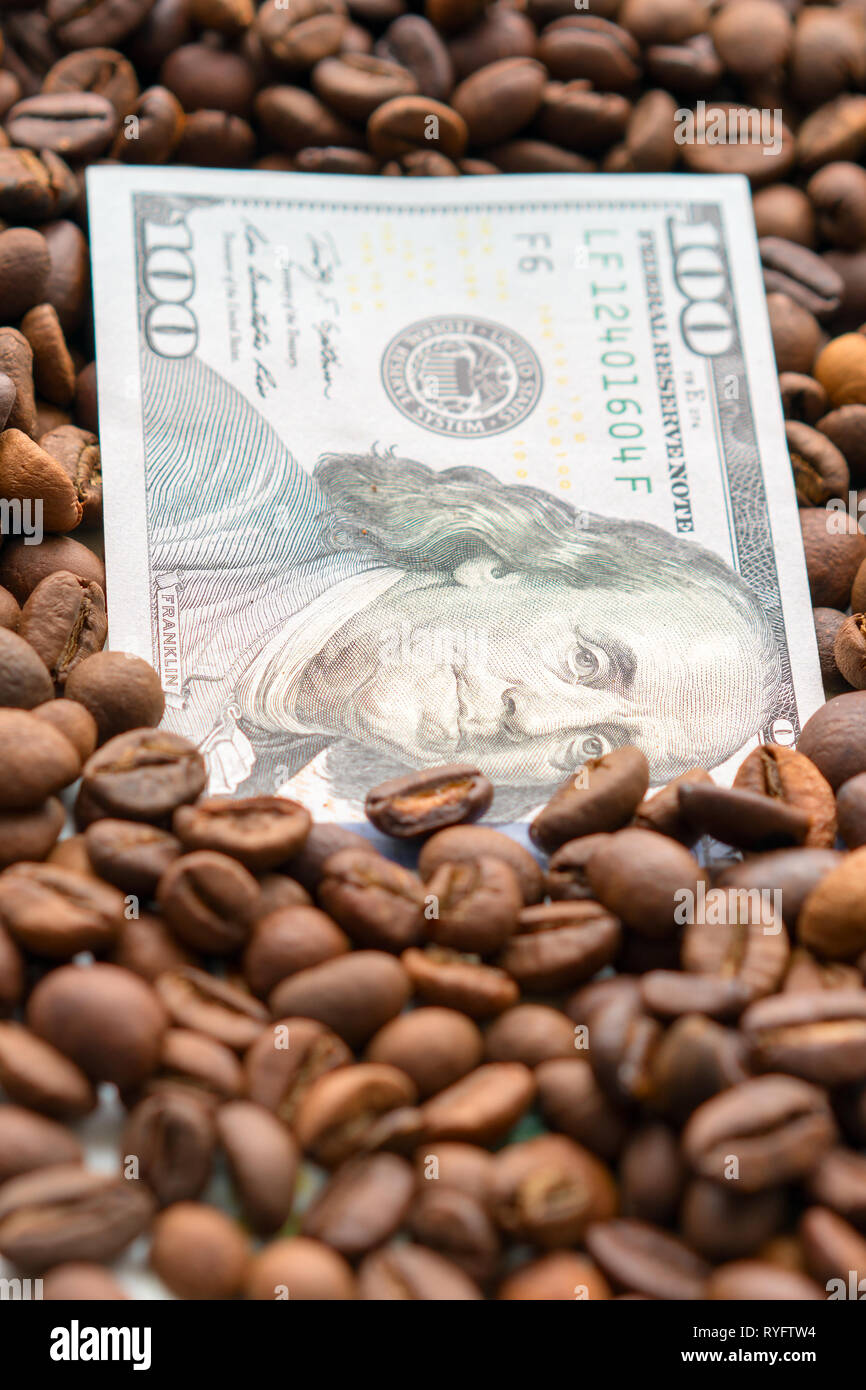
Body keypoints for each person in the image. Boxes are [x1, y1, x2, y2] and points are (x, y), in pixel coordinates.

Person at [142, 351, 783, 815]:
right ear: (500, 562)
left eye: (594, 748)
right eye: (587, 663)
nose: (533, 721)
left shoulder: (242, 804)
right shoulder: (205, 463)